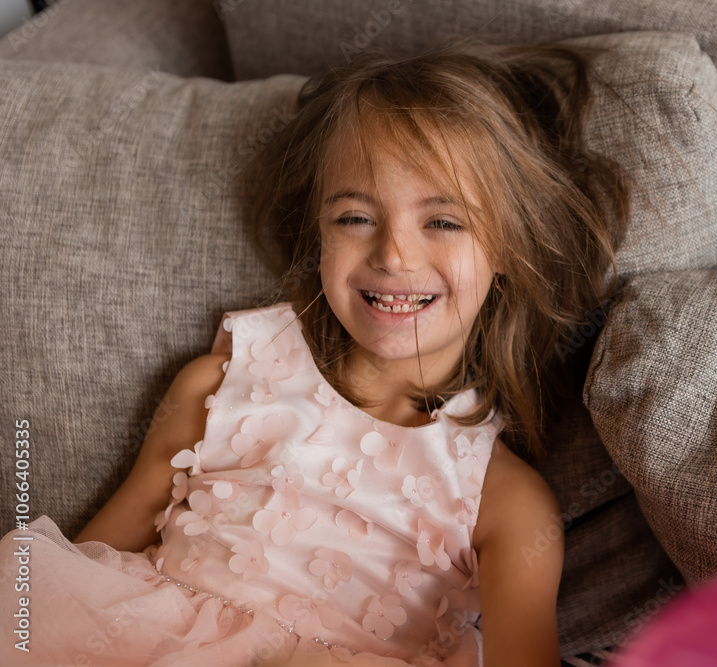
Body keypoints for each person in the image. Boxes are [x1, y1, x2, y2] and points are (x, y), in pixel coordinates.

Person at [0, 40, 630, 666]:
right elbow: (82, 575)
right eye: (355, 218)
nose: (394, 256)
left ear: (510, 249)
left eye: (444, 221)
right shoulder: (218, 391)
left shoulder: (507, 504)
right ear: (318, 234)